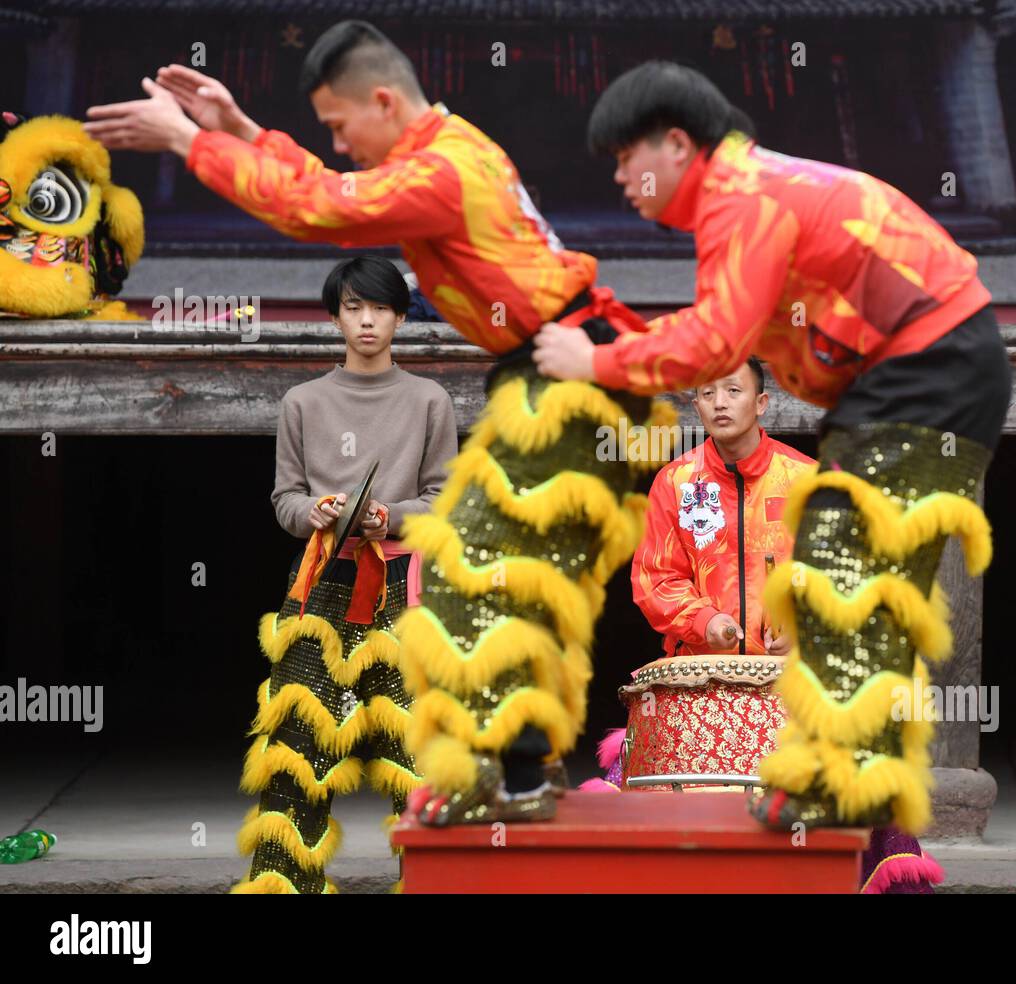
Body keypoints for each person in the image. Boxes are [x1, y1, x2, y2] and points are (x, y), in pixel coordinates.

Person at [86, 21, 675, 829]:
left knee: (481, 576)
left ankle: (521, 766)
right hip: (558, 368)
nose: (337, 143)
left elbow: (318, 209)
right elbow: (331, 184)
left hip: (575, 373)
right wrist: (241, 129)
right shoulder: (443, 145)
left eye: (338, 125)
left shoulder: (440, 170)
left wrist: (190, 141)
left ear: (385, 100)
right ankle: (521, 767)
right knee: (481, 576)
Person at [534, 60, 1009, 891]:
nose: (617, 178)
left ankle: (837, 787)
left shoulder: (741, 196)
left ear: (677, 145)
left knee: (836, 571)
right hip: (914, 371)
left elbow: (715, 341)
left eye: (623, 157)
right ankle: (831, 786)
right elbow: (727, 335)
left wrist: (597, 360)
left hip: (931, 362)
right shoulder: (754, 194)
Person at [240, 256, 457, 893]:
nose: (368, 321)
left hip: (400, 589)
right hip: (320, 584)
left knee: (417, 750)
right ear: (335, 316)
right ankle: (285, 885)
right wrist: (318, 512)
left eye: (381, 309)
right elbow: (284, 501)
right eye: (354, 308)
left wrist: (390, 517)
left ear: (399, 317)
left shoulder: (429, 400)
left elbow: (443, 501)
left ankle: (435, 882)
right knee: (298, 745)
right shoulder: (302, 402)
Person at [584, 357, 814, 789]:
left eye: (733, 391)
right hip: (699, 683)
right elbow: (655, 577)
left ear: (761, 402)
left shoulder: (805, 480)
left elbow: (835, 575)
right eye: (707, 394)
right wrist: (705, 622)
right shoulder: (676, 482)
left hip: (790, 680)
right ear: (696, 404)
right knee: (694, 810)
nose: (719, 404)